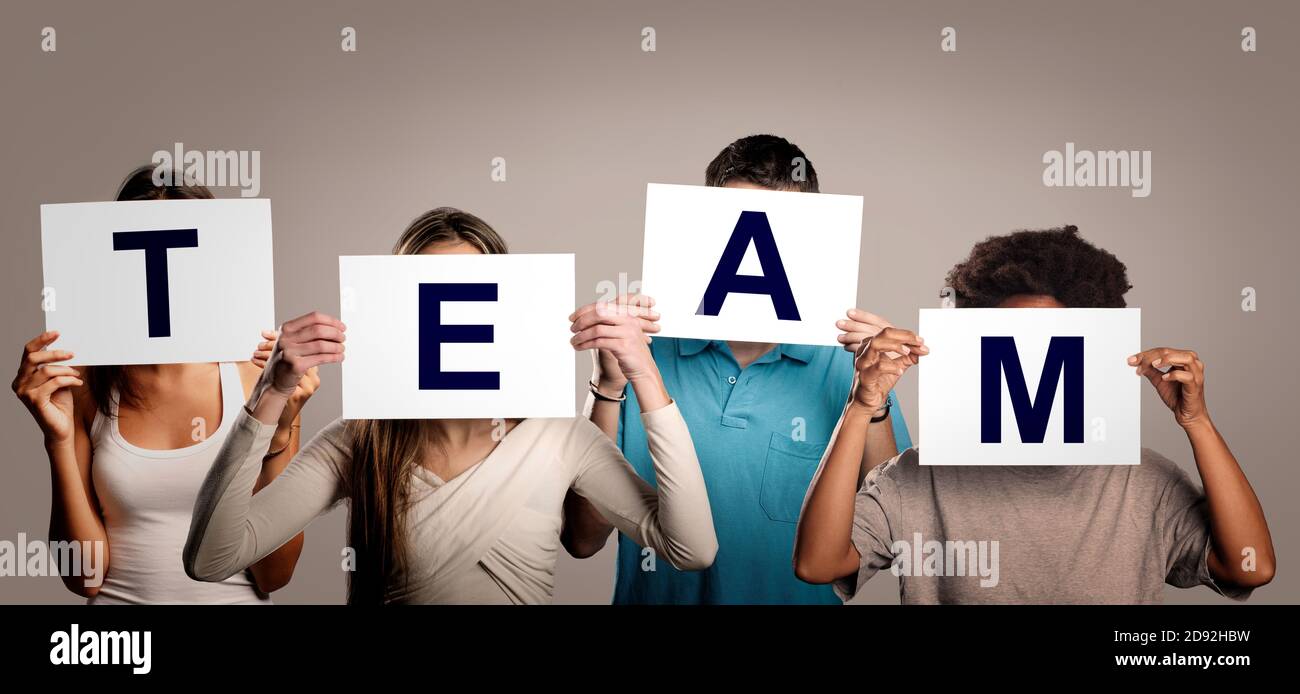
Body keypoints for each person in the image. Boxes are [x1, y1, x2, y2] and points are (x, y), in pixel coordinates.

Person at [183, 207, 717, 604]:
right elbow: (211, 559)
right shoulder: (359, 440)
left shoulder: (559, 436)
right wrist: (268, 394)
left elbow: (692, 548)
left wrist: (642, 372)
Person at [793, 225, 1276, 603]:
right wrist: (862, 406)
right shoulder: (919, 478)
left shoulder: (1145, 481)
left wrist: (1197, 422)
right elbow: (818, 564)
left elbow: (1250, 568)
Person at [561, 135, 912, 604]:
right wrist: (608, 386)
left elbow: (897, 531)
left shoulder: (851, 366)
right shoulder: (644, 357)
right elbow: (583, 540)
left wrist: (873, 394)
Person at [11, 166, 314, 604]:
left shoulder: (261, 383)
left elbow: (273, 574)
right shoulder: (87, 387)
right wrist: (56, 440)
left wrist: (280, 434)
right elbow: (85, 578)